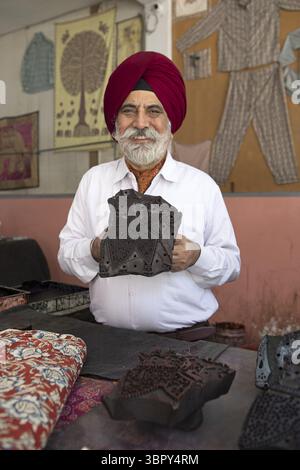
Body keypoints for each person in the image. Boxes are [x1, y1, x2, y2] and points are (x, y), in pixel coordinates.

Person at [58, 51, 240, 338]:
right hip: (109, 340)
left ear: (170, 122)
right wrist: (95, 248)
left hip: (186, 340)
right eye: (129, 111)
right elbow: (66, 255)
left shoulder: (201, 186)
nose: (141, 123)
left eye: (154, 111)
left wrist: (196, 257)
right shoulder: (93, 181)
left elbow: (231, 265)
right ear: (116, 122)